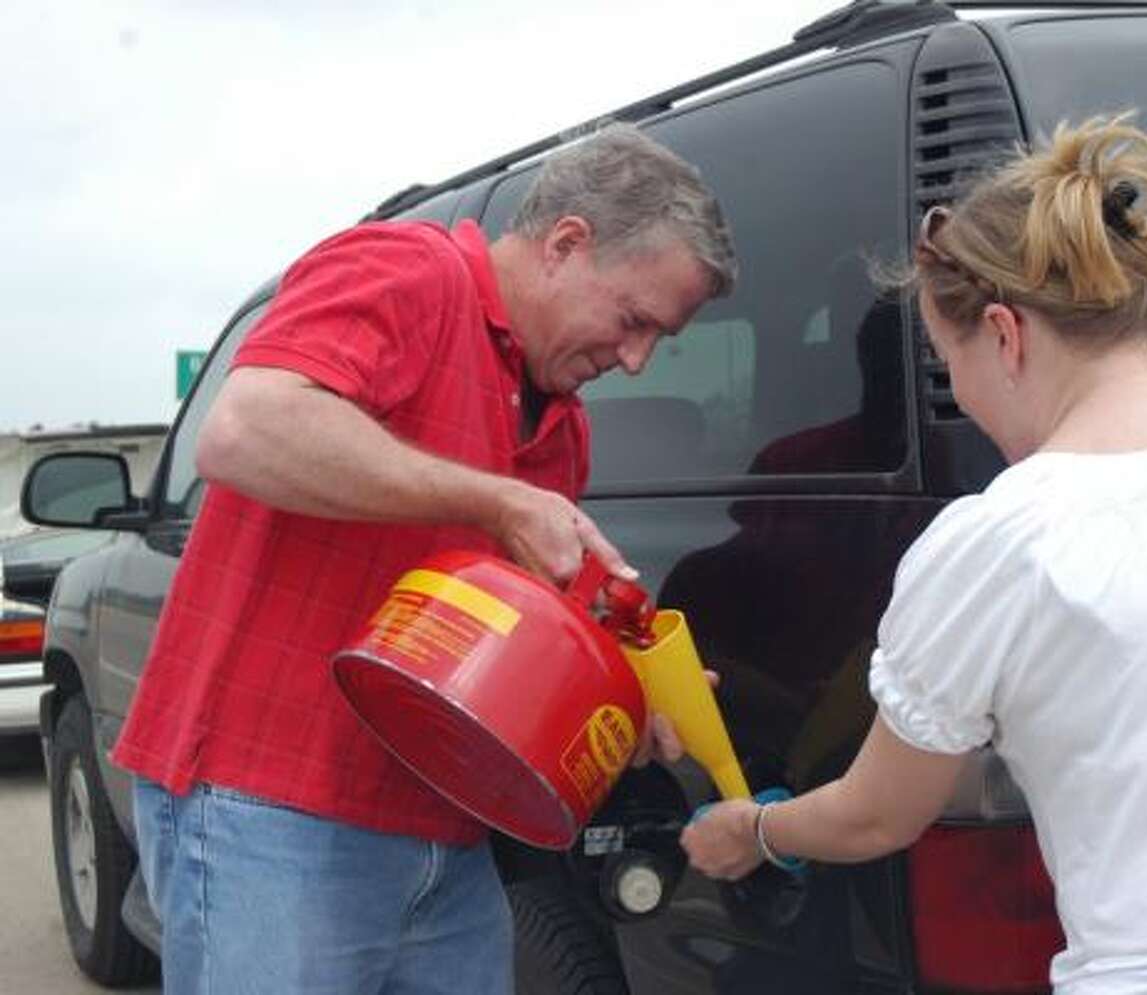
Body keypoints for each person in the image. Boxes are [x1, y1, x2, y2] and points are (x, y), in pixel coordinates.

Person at [681, 113, 1147, 993]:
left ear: (1005, 335)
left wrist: (755, 830)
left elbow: (875, 816)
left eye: (951, 363)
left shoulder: (1004, 542)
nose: (965, 397)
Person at [112, 123, 737, 995]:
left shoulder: (562, 427)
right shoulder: (406, 270)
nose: (635, 360)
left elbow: (505, 645)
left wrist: (625, 698)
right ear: (566, 243)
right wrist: (495, 499)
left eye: (659, 339)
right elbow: (245, 429)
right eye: (634, 321)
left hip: (449, 834)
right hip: (272, 811)